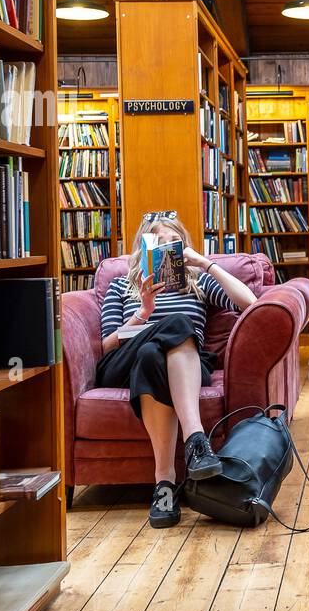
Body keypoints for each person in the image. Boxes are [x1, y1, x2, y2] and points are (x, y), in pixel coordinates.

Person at [96, 211, 256, 527]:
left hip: (181, 363)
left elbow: (250, 303)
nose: (168, 246)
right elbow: (107, 346)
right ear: (144, 249)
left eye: (174, 241)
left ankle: (164, 483)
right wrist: (144, 312)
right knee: (174, 327)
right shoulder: (120, 286)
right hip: (122, 363)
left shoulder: (197, 282)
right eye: (159, 241)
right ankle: (196, 441)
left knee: (152, 354)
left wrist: (205, 264)